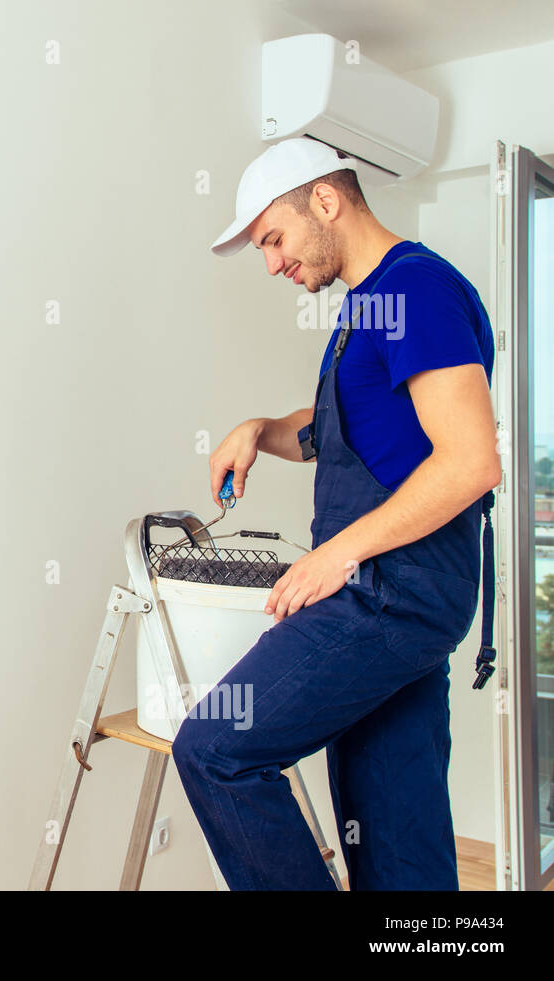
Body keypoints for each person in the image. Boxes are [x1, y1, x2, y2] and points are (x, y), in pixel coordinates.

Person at [170, 137, 501, 890]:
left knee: (215, 748)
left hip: (391, 591)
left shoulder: (415, 290)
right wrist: (260, 429)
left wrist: (336, 554)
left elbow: (471, 460)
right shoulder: (370, 305)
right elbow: (343, 434)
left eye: (274, 240)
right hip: (397, 593)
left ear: (326, 200)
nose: (274, 264)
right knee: (396, 832)